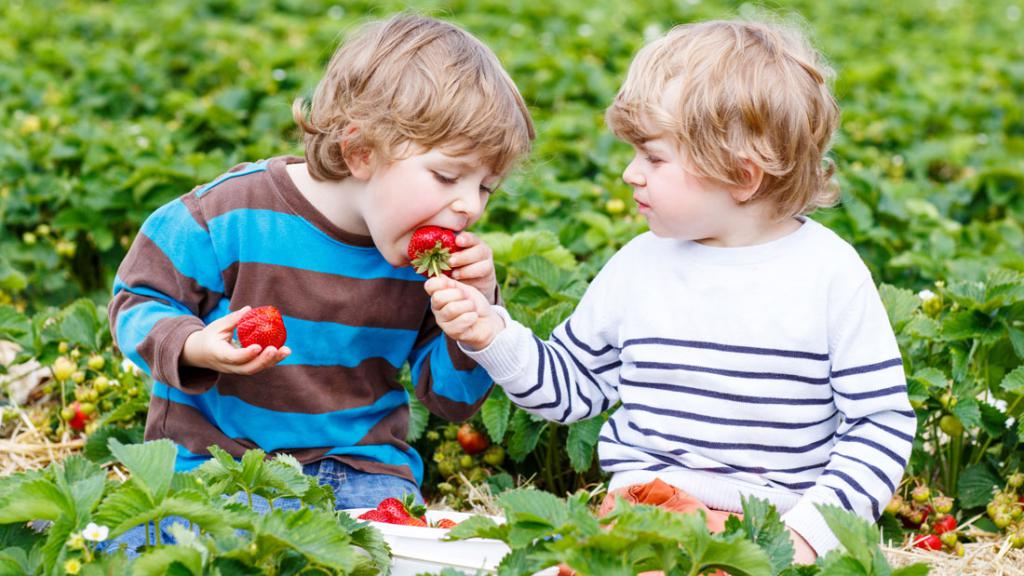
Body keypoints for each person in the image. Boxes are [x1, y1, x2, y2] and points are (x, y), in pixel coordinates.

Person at [425, 18, 914, 562]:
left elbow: (880, 423)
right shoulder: (639, 265)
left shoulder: (829, 274)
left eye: (654, 158)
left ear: (742, 175)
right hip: (645, 509)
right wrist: (491, 332)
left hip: (773, 528)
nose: (632, 174)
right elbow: (571, 390)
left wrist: (810, 534)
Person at [106, 12, 534, 547]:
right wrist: (192, 346)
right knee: (163, 544)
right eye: (448, 176)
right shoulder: (230, 215)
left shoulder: (431, 269)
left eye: (487, 188)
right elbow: (137, 298)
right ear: (360, 151)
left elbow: (450, 399)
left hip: (364, 474)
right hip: (224, 467)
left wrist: (478, 319)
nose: (468, 206)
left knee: (398, 555)